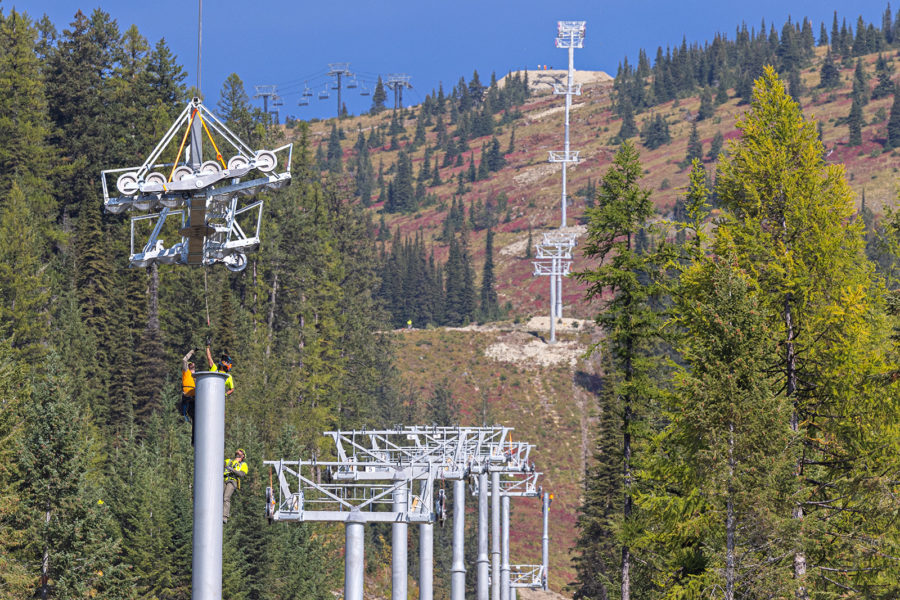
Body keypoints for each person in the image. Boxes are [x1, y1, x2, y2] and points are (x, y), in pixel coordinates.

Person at [223, 448, 247, 524]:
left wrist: (232, 470)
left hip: (232, 481)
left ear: (243, 456)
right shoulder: (228, 461)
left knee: (226, 497)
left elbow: (241, 474)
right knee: (218, 497)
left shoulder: (243, 465)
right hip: (223, 479)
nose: (238, 452)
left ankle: (224, 516)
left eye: (240, 452)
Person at [180, 349, 197, 445]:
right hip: (187, 397)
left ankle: (195, 440)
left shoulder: (196, 377)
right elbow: (184, 360)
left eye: (192, 364)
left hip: (194, 399)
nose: (191, 364)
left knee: (196, 419)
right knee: (190, 416)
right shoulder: (186, 372)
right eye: (190, 364)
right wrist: (192, 351)